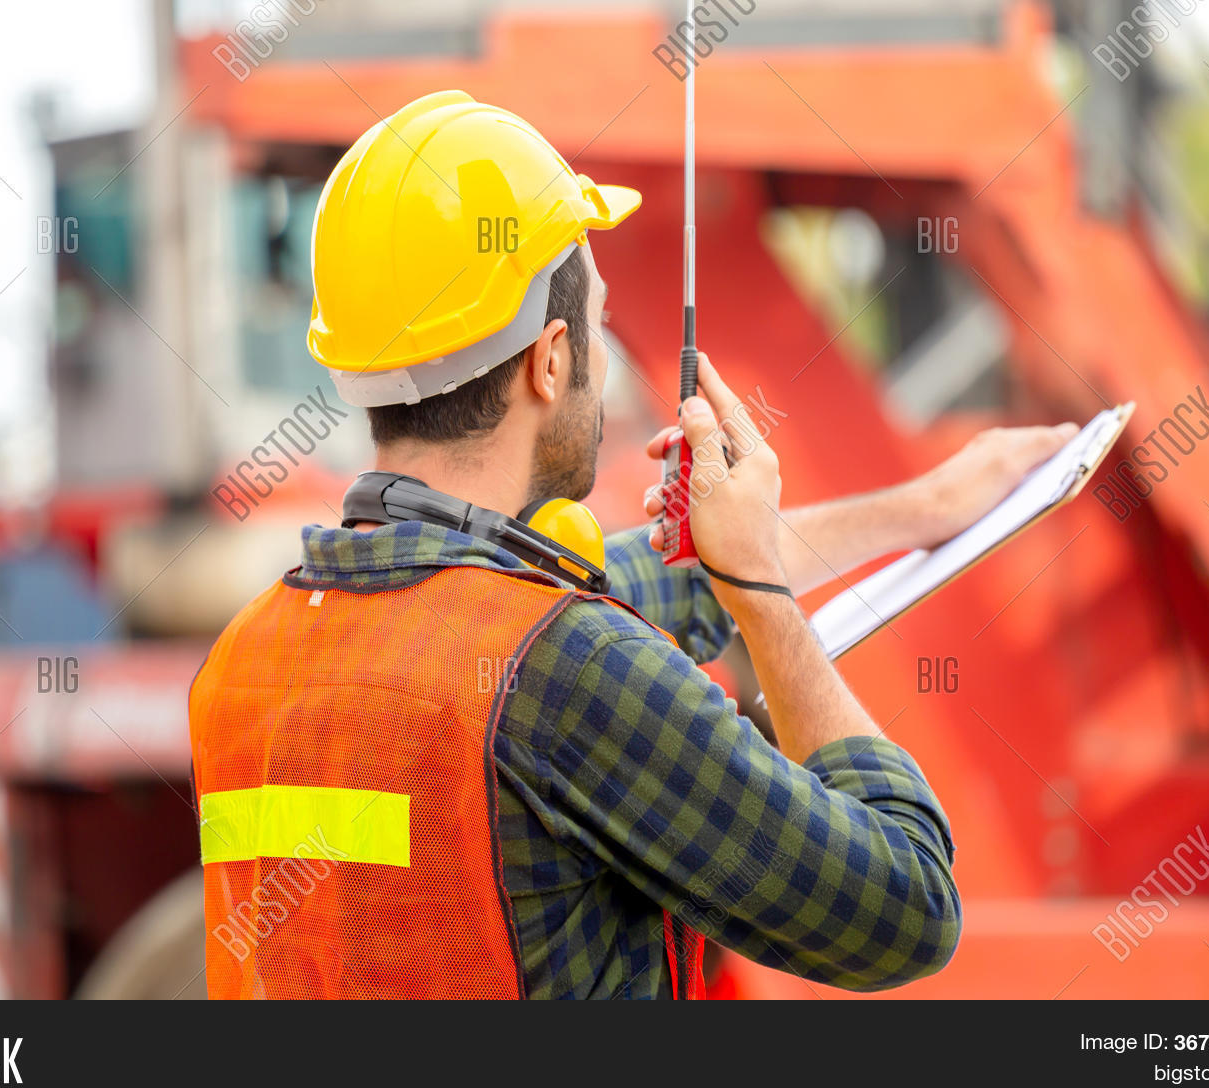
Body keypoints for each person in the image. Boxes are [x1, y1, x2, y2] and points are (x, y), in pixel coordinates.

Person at [188, 91, 1075, 999]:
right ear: (552, 359)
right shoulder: (565, 670)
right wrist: (764, 598)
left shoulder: (245, 662)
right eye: (602, 327)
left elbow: (656, 582)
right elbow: (908, 910)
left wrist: (927, 506)